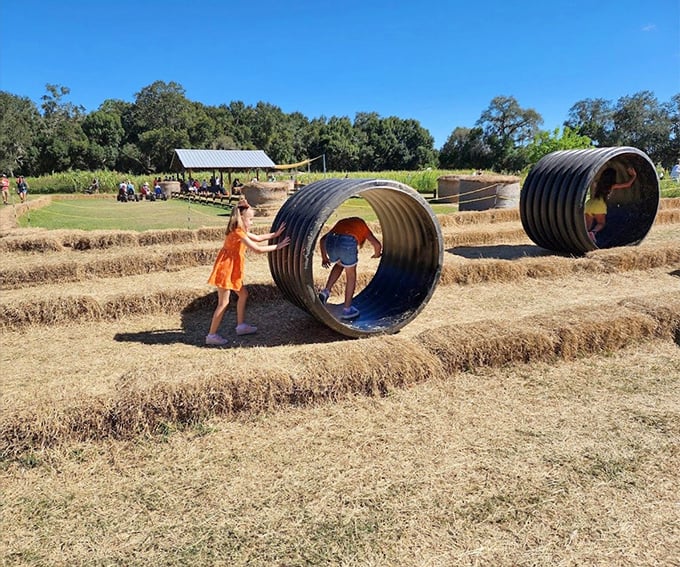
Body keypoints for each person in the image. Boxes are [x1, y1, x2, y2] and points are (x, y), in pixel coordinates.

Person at [205, 198, 290, 345]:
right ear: (242, 218)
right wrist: (278, 246)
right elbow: (257, 249)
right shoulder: (237, 232)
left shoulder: (240, 230)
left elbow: (257, 238)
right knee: (223, 303)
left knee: (243, 294)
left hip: (232, 268)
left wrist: (275, 235)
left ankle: (241, 326)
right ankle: (211, 335)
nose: (252, 222)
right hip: (226, 268)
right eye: (250, 219)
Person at [317, 217, 382, 320]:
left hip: (331, 243)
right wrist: (377, 254)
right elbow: (377, 245)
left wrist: (324, 258)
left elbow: (322, 239)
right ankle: (347, 310)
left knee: (339, 264)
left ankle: (326, 292)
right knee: (351, 276)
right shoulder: (362, 225)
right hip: (346, 243)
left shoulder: (341, 223)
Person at [585, 166, 637, 243]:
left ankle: (585, 239)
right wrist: (634, 176)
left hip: (589, 203)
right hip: (599, 204)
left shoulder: (596, 182)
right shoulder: (612, 185)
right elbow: (628, 185)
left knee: (587, 227)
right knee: (601, 223)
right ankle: (593, 232)